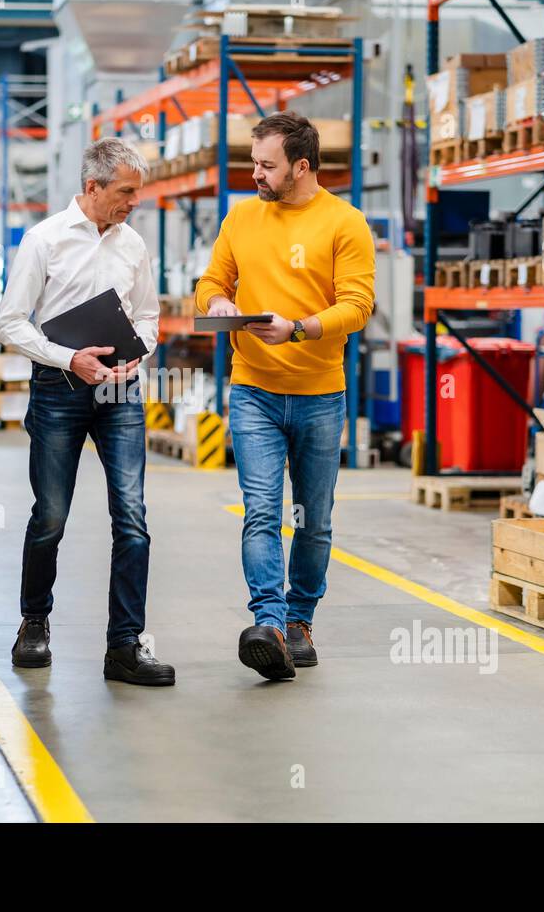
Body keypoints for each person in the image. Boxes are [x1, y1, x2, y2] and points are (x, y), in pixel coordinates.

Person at [193, 111, 376, 681]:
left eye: (267, 165)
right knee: (263, 513)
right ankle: (268, 623)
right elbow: (209, 284)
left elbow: (357, 306)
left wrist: (299, 328)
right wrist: (217, 305)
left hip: (320, 394)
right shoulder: (241, 218)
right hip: (254, 391)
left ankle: (300, 621)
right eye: (254, 162)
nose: (256, 174)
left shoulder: (346, 223)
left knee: (314, 519)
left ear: (302, 166)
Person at [0, 136, 175, 687]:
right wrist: (69, 358)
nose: (134, 202)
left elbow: (148, 316)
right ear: (92, 187)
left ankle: (125, 645)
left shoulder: (133, 245)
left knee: (133, 519)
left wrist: (135, 356)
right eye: (125, 192)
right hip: (59, 388)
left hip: (119, 390)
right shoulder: (44, 240)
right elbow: (10, 323)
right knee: (50, 515)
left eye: (138, 192)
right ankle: (34, 623)